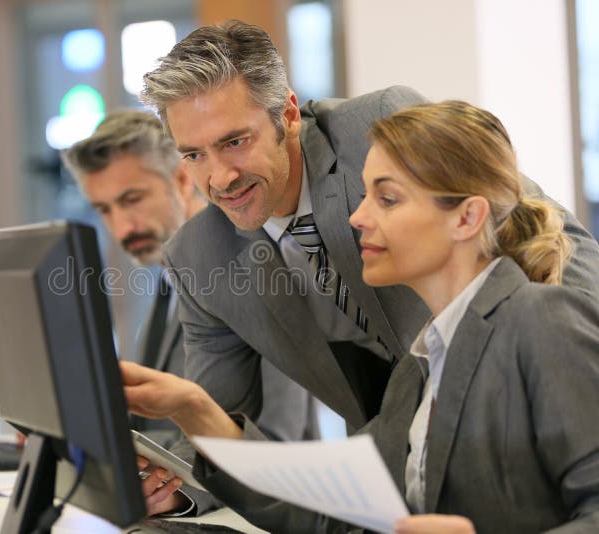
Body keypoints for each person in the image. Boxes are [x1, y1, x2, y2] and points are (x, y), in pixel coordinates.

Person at [131, 19, 599, 514]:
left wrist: (572, 348)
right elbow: (218, 418)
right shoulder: (200, 255)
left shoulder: (377, 132)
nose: (219, 177)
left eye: (235, 142)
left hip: (511, 427)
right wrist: (169, 483)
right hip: (395, 446)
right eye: (193, 154)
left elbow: (539, 227)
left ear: (288, 113)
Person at [63, 109, 319, 516]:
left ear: (182, 180)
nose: (122, 226)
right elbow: (153, 428)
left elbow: (274, 439)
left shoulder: (257, 275)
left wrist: (174, 489)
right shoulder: (168, 284)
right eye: (104, 209)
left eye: (132, 199)